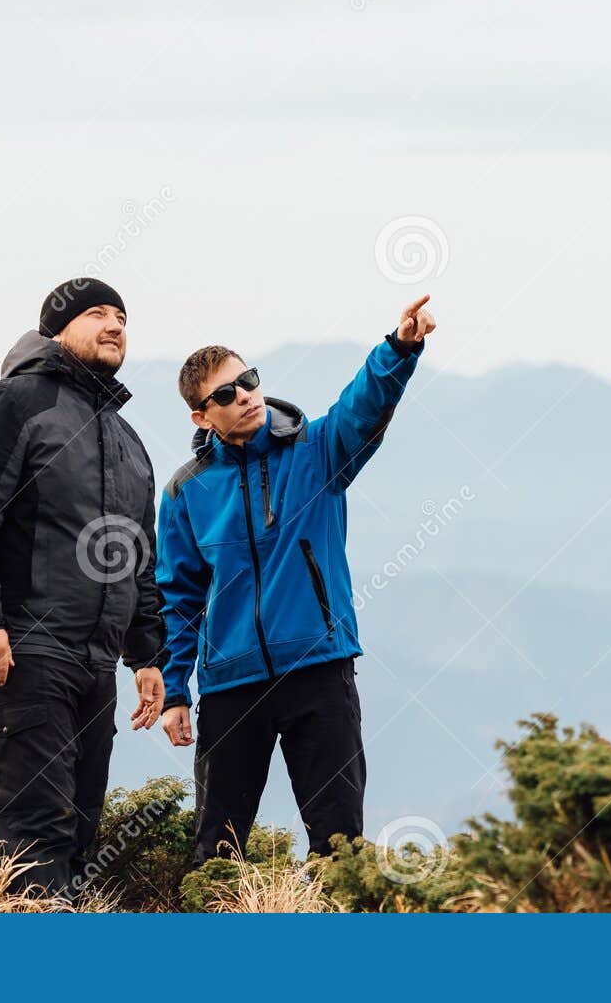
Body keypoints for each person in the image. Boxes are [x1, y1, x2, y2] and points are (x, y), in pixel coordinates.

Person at [156, 294, 437, 861]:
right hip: (230, 686)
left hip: (319, 669)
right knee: (217, 852)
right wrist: (174, 690)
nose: (245, 396)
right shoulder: (186, 491)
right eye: (226, 394)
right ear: (201, 416)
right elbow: (178, 598)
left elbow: (364, 406)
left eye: (249, 380)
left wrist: (399, 347)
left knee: (339, 845)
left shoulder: (318, 451)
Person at [0, 277, 167, 897]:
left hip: (95, 665)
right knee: (37, 837)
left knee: (80, 836)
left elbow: (138, 556)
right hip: (22, 651)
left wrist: (146, 655)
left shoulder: (127, 440)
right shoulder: (12, 403)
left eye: (122, 316)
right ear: (56, 327)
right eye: (97, 313)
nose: (115, 325)